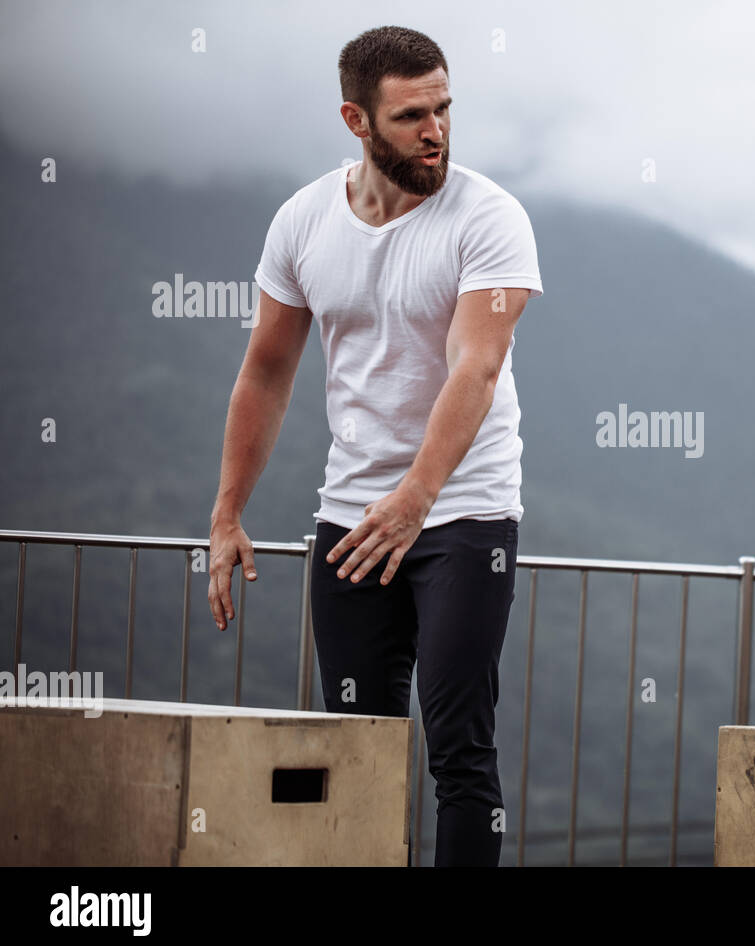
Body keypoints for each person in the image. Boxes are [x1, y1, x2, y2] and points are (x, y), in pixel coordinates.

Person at [206, 25, 543, 866]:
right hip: (351, 518)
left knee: (459, 743)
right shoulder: (302, 220)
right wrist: (227, 513)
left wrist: (418, 496)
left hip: (464, 512)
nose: (436, 131)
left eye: (444, 109)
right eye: (411, 116)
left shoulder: (492, 217)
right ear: (357, 120)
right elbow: (266, 371)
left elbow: (477, 365)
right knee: (353, 743)